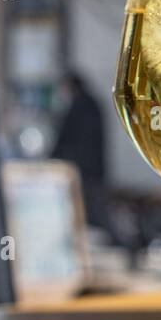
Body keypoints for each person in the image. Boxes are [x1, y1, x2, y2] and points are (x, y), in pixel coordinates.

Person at [52, 71, 108, 230]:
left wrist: (53, 157)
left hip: (84, 169)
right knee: (95, 207)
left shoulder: (80, 106)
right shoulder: (92, 104)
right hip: (94, 168)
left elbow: (67, 135)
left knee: (90, 209)